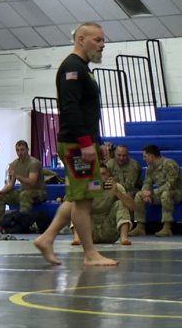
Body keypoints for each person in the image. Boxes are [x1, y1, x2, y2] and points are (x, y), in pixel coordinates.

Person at [33, 21, 119, 266]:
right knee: (84, 201)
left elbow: (88, 110)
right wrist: (85, 143)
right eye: (97, 40)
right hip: (75, 144)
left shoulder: (83, 68)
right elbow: (69, 109)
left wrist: (98, 141)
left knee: (77, 197)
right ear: (81, 40)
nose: (102, 45)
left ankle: (46, 239)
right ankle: (91, 255)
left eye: (103, 40)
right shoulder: (72, 67)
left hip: (83, 141)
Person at [131, 144, 182, 238]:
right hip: (162, 193)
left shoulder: (170, 164)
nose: (144, 159)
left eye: (145, 156)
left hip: (180, 193)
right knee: (139, 195)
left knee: (166, 194)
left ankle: (167, 227)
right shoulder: (150, 168)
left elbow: (170, 185)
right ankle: (140, 227)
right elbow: (147, 182)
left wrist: (151, 192)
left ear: (151, 156)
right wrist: (145, 193)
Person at [69, 163, 138, 245]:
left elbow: (133, 207)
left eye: (103, 174)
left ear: (108, 175)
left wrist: (118, 193)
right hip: (90, 230)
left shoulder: (116, 187)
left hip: (108, 229)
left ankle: (124, 238)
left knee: (120, 203)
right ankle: (77, 238)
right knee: (77, 205)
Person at [0, 140, 48, 232]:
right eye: (18, 150)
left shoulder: (34, 163)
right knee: (1, 196)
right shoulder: (14, 164)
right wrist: (2, 191)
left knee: (24, 195)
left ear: (27, 150)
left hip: (39, 192)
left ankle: (23, 224)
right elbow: (10, 185)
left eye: (22, 150)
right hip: (23, 190)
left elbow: (32, 182)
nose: (20, 153)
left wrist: (17, 176)